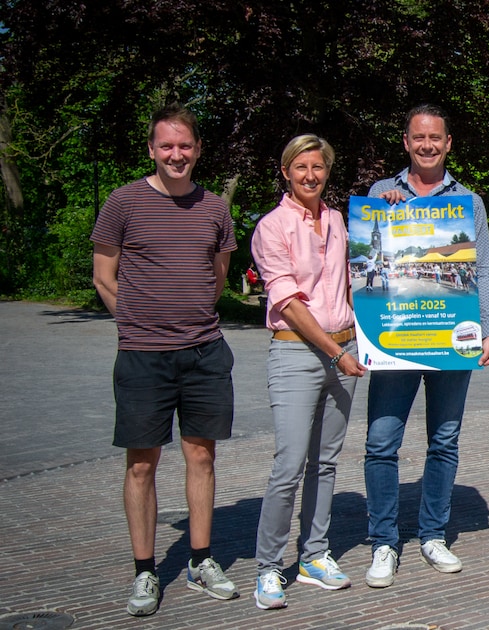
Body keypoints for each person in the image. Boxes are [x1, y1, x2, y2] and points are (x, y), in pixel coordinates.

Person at [91, 103, 239, 617]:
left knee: (202, 456)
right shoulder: (122, 202)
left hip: (203, 352)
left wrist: (191, 314)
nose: (176, 155)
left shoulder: (215, 208)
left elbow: (218, 274)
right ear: (152, 149)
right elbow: (103, 276)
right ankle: (145, 571)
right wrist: (133, 323)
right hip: (142, 357)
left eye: (185, 146)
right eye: (166, 146)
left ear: (197, 149)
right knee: (141, 466)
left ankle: (200, 559)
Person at [362, 104, 489, 586]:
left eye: (435, 138)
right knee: (382, 442)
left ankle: (433, 534)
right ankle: (383, 542)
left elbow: (482, 269)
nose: (427, 145)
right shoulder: (382, 193)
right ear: (406, 142)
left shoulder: (468, 201)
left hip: (450, 338)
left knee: (443, 440)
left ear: (447, 143)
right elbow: (362, 254)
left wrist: (488, 327)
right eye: (418, 137)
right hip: (394, 338)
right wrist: (387, 216)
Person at [249, 134, 368, 610]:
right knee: (290, 463)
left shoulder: (340, 220)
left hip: (344, 348)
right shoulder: (272, 226)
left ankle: (314, 555)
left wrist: (392, 206)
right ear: (286, 172)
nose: (310, 176)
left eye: (318, 167)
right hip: (297, 351)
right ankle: (268, 567)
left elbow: (363, 275)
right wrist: (336, 354)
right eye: (301, 167)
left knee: (326, 461)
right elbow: (289, 304)